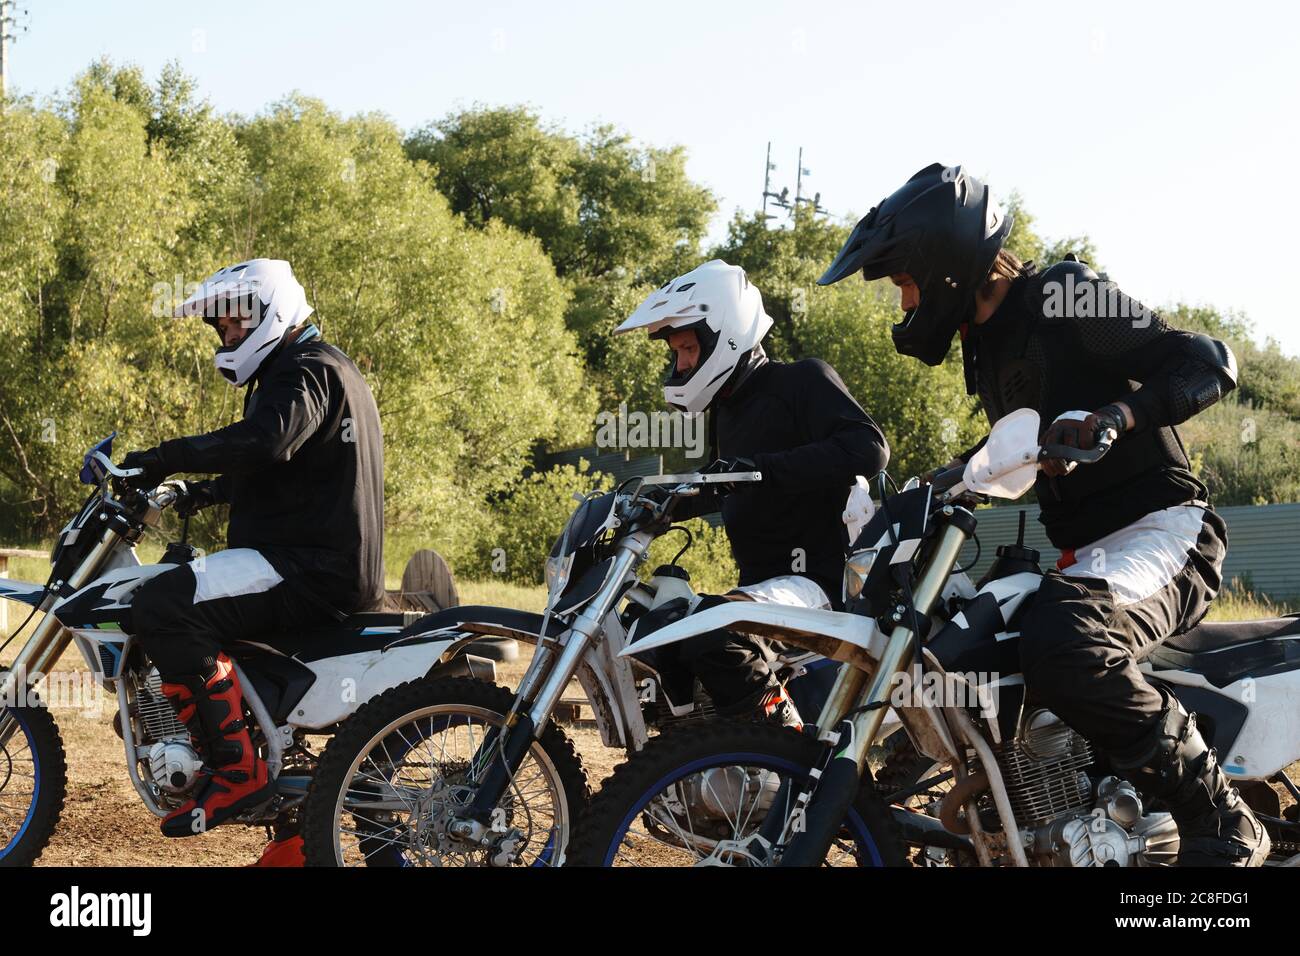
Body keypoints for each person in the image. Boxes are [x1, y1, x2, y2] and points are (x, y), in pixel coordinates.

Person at [818, 163, 1267, 866]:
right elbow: (1015, 443)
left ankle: (1221, 817)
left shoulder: (1062, 296)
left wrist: (1118, 417)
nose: (901, 300)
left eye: (901, 280)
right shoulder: (984, 342)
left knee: (1066, 636)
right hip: (1086, 553)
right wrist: (934, 485)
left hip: (1166, 530)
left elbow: (1207, 362)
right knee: (966, 649)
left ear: (938, 265)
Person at [118, 259, 385, 865]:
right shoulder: (308, 369)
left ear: (272, 310)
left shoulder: (306, 372)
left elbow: (266, 442)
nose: (227, 336)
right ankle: (292, 840)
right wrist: (199, 493)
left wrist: (162, 458)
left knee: (161, 604)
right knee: (220, 643)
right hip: (310, 560)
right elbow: (279, 470)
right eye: (220, 328)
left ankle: (238, 771)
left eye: (235, 321)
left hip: (307, 567)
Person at [615, 259, 889, 728]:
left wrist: (762, 469)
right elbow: (728, 479)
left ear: (726, 334)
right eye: (676, 352)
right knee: (645, 627)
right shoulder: (728, 411)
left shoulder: (802, 380)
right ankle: (682, 760)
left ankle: (786, 748)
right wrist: (660, 501)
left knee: (715, 634)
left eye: (686, 349)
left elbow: (869, 447)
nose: (680, 364)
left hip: (819, 585)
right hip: (763, 587)